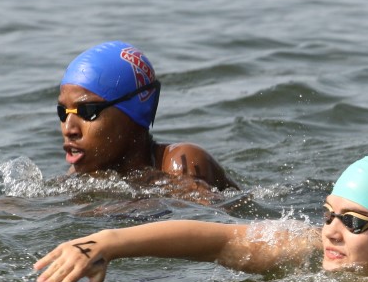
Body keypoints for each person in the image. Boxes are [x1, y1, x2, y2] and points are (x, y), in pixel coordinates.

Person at [34, 153, 368, 282]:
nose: (330, 231)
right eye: (328, 214)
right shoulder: (302, 247)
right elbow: (214, 241)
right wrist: (106, 242)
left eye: (354, 222)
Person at [58, 41, 238, 193]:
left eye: (88, 111)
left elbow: (205, 222)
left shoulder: (179, 164)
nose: (69, 128)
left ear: (134, 110)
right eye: (62, 112)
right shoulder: (78, 178)